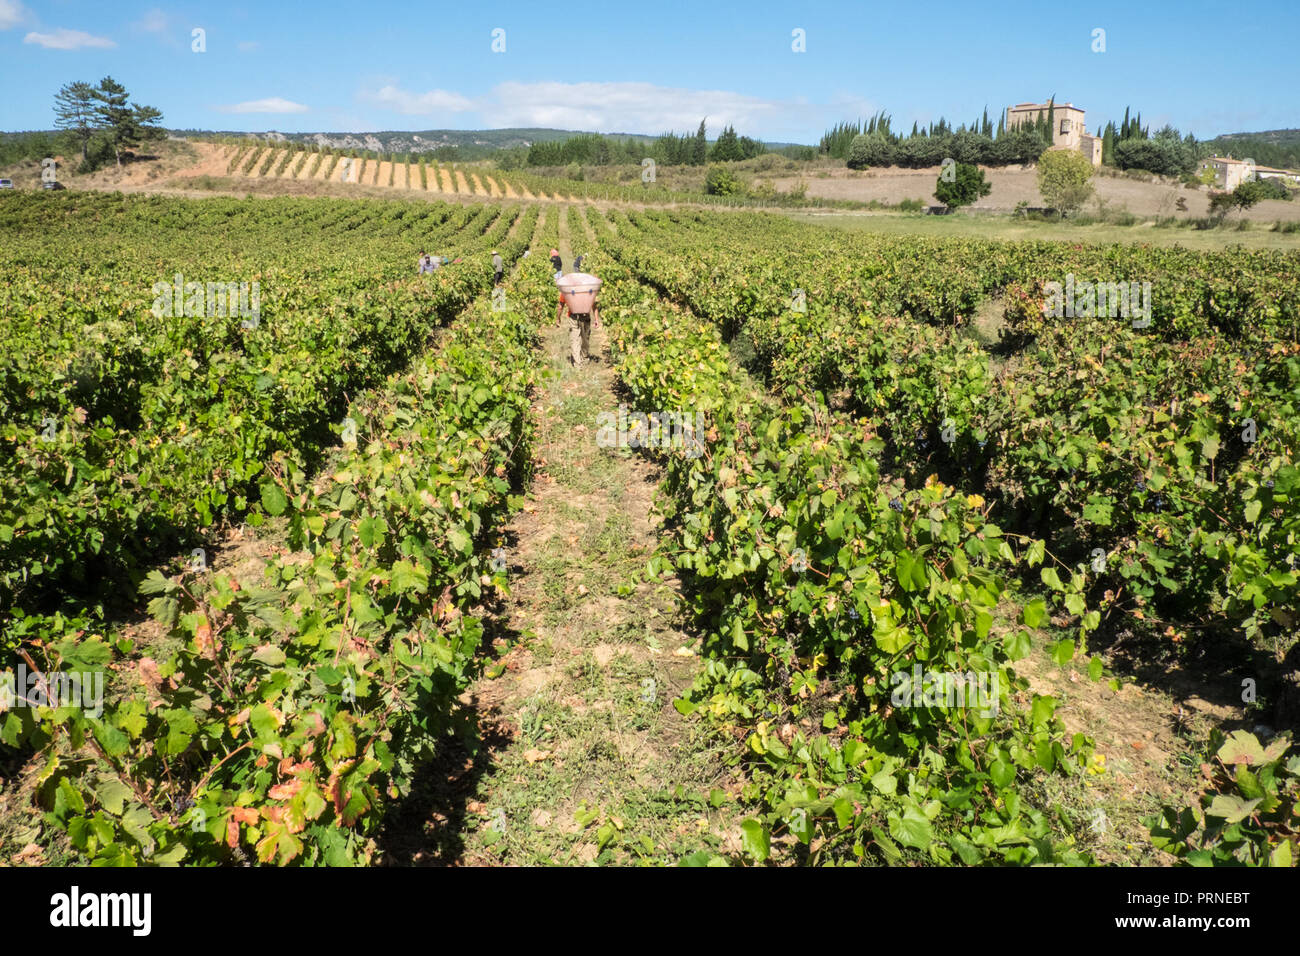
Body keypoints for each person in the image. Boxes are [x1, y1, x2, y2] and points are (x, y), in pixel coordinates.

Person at [556, 273, 601, 366]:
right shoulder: (588, 290)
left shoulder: (567, 290)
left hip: (573, 316)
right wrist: (596, 319)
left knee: (575, 339)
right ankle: (584, 358)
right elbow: (594, 306)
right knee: (585, 339)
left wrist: (558, 318)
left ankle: (577, 362)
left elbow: (560, 306)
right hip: (586, 316)